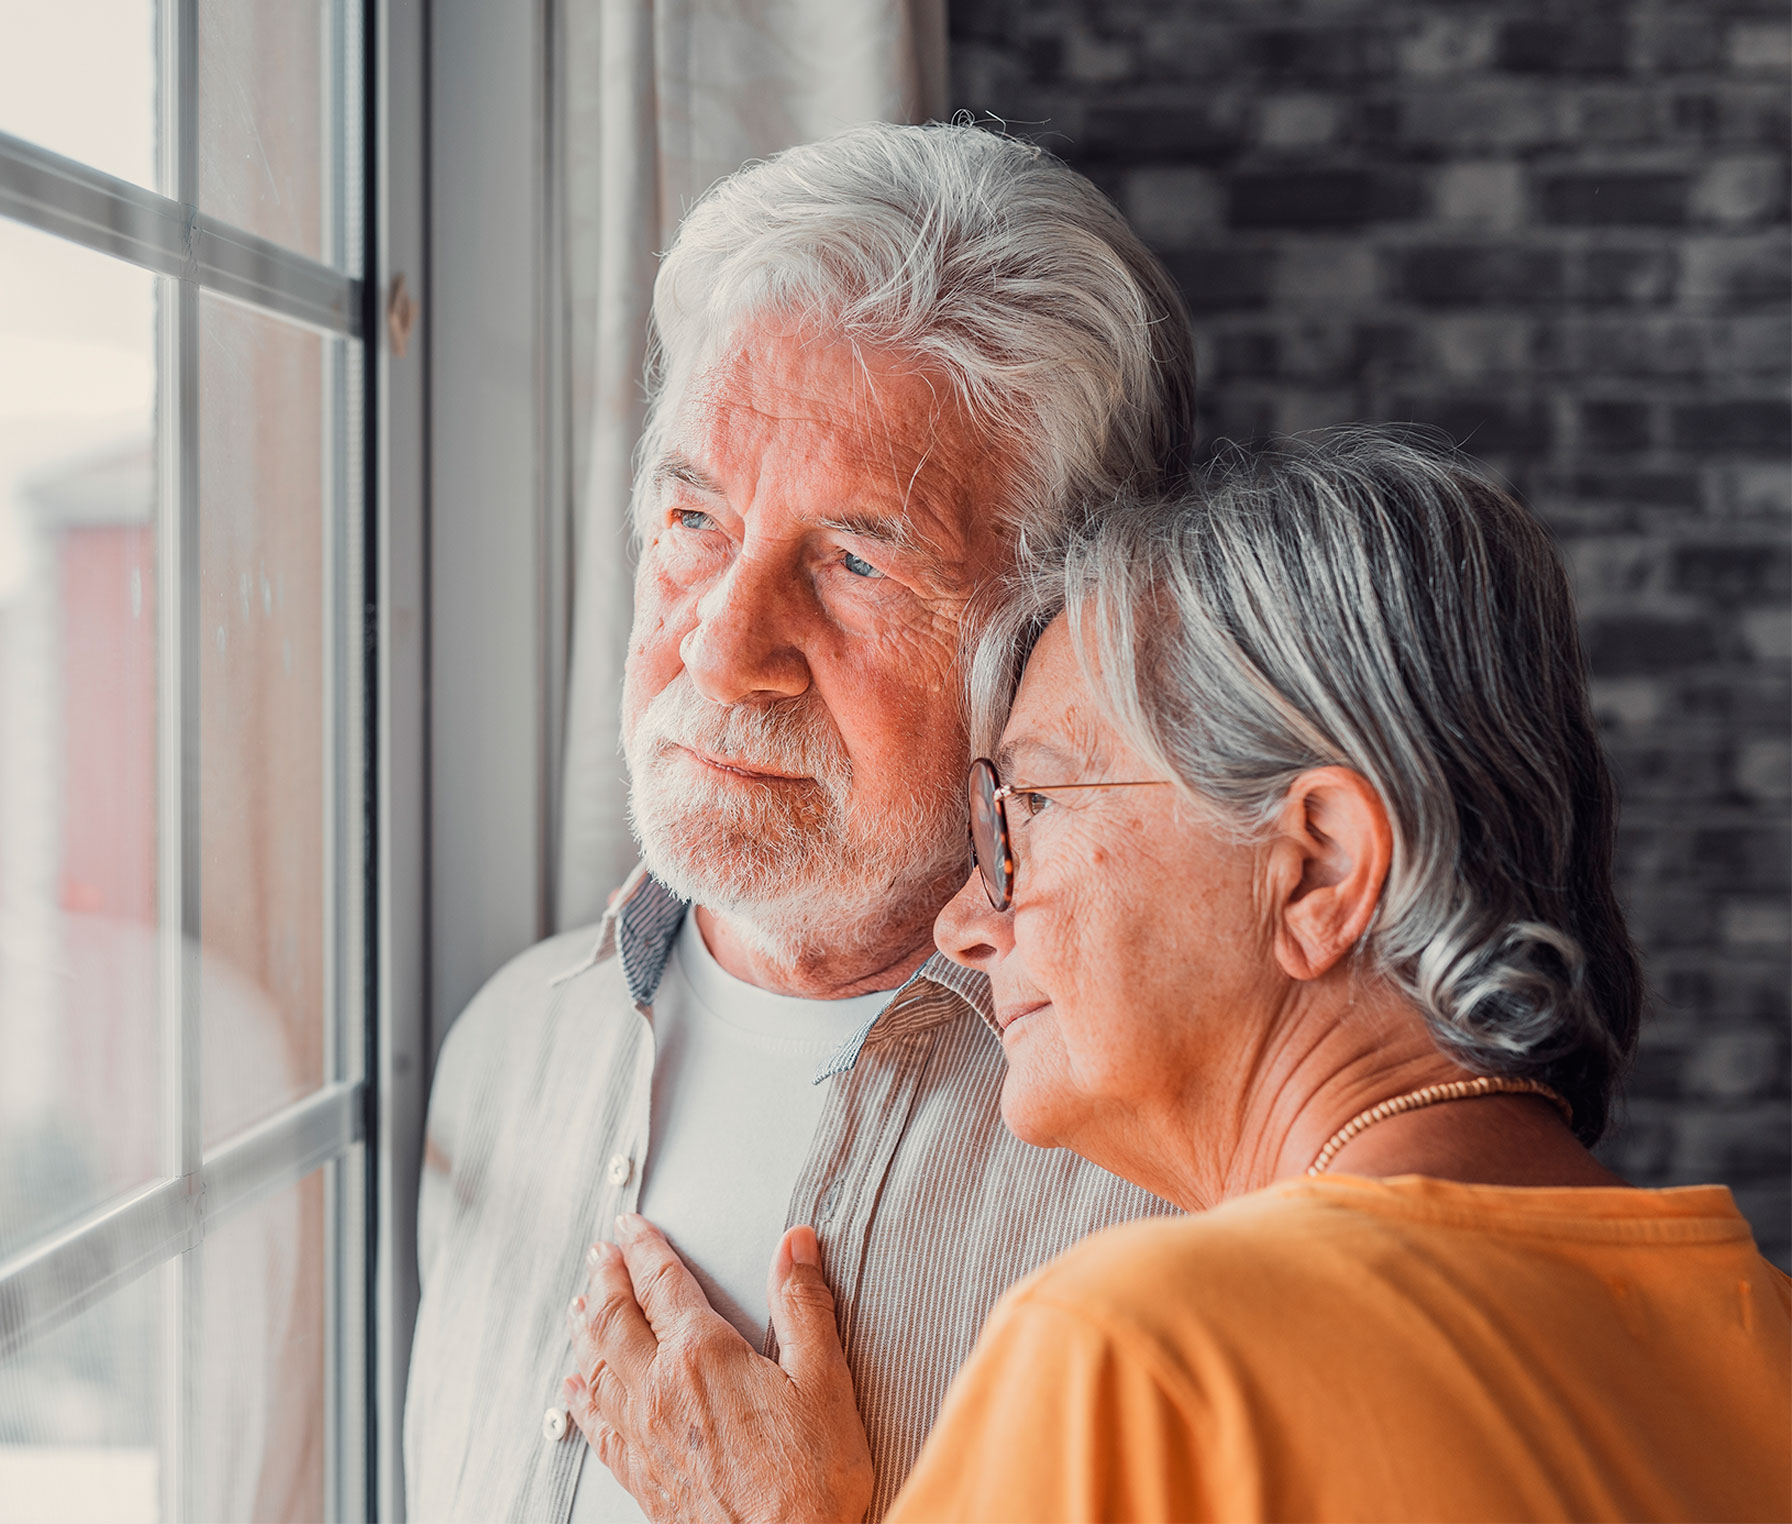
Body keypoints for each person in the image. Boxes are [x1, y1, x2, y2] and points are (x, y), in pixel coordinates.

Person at [560, 430, 1792, 1522]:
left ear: (1317, 866)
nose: (963, 924)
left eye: (1025, 809)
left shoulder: (1141, 1359)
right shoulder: (1760, 1335)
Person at [407, 121, 1197, 1521]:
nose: (720, 653)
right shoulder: (505, 1051)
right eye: (694, 521)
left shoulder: (1178, 1194)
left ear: (1053, 641)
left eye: (851, 563)